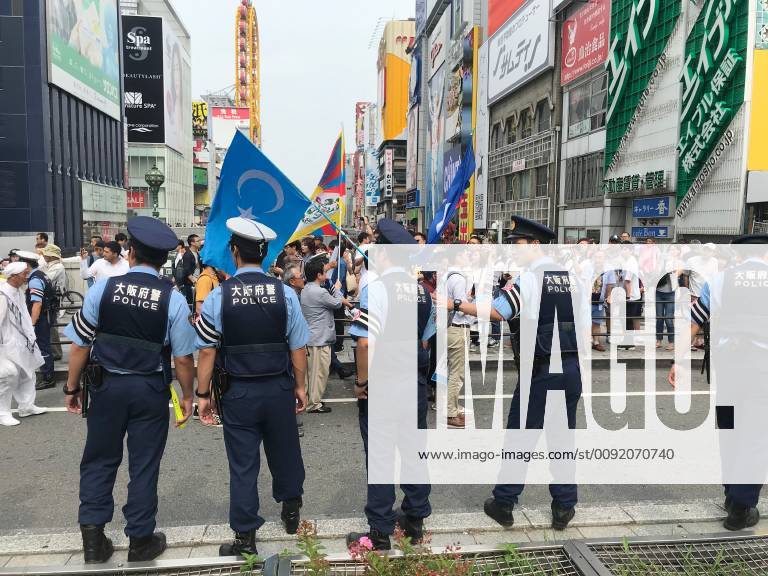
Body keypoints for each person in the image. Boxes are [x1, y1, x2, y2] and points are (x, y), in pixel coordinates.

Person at [62, 217, 197, 564]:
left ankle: (93, 539)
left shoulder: (102, 290)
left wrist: (72, 387)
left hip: (105, 387)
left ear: (131, 252)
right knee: (144, 463)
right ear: (163, 259)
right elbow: (183, 358)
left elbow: (79, 345)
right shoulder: (173, 299)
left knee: (99, 459)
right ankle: (140, 539)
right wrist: (188, 396)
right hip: (149, 390)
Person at [441, 216, 581, 531]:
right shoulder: (571, 277)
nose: (514, 250)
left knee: (519, 438)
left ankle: (504, 503)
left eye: (518, 244)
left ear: (535, 244)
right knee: (562, 439)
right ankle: (564, 507)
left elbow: (497, 312)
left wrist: (455, 303)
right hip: (571, 368)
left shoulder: (530, 278)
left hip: (541, 371)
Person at [194, 217, 309, 558]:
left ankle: (245, 537)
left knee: (243, 464)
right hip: (278, 387)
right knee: (286, 450)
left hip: (237, 392)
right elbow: (298, 347)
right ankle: (291, 512)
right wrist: (300, 387)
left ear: (234, 252)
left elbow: (206, 350)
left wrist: (203, 396)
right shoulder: (285, 293)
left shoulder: (218, 296)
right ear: (265, 253)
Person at [346, 219, 434, 550]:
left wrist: (361, 382)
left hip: (382, 385)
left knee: (381, 457)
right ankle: (414, 520)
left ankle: (380, 533)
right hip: (413, 383)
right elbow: (426, 341)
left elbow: (364, 343)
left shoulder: (375, 289)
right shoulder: (423, 292)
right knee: (413, 453)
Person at [300, 256, 352, 413]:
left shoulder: (306, 289)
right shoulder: (320, 292)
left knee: (310, 373)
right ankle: (314, 404)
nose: (326, 275)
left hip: (310, 336)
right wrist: (336, 288)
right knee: (320, 373)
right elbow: (337, 303)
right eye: (324, 272)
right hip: (319, 338)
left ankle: (309, 400)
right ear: (318, 275)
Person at [0, 262, 48, 426]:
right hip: (7, 345)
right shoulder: (2, 294)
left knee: (28, 373)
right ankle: (3, 412)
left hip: (23, 341)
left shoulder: (19, 291)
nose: (27, 277)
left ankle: (26, 406)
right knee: (8, 376)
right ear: (13, 276)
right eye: (24, 274)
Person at [13, 251, 56, 390]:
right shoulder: (40, 274)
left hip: (41, 318)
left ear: (26, 265)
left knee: (42, 347)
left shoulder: (35, 279)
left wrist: (31, 324)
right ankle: (47, 376)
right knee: (44, 346)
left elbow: (37, 304)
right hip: (45, 316)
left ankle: (48, 377)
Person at [445, 268, 471, 428]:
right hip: (458, 328)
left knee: (452, 370)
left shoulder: (447, 277)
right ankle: (451, 413)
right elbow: (461, 309)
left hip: (449, 328)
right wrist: (473, 306)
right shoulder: (459, 279)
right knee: (457, 373)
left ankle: (452, 407)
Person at [40, 244, 67, 361]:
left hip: (53, 300)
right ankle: (54, 351)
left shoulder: (58, 267)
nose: (43, 255)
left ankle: (56, 352)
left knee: (52, 326)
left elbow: (46, 279)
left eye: (45, 253)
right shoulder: (50, 265)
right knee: (50, 325)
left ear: (50, 256)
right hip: (49, 300)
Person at [181, 234, 202, 307]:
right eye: (198, 241)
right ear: (192, 243)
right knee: (191, 303)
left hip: (198, 281)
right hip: (191, 284)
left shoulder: (197, 253)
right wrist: (194, 281)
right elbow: (187, 270)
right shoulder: (187, 255)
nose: (200, 242)